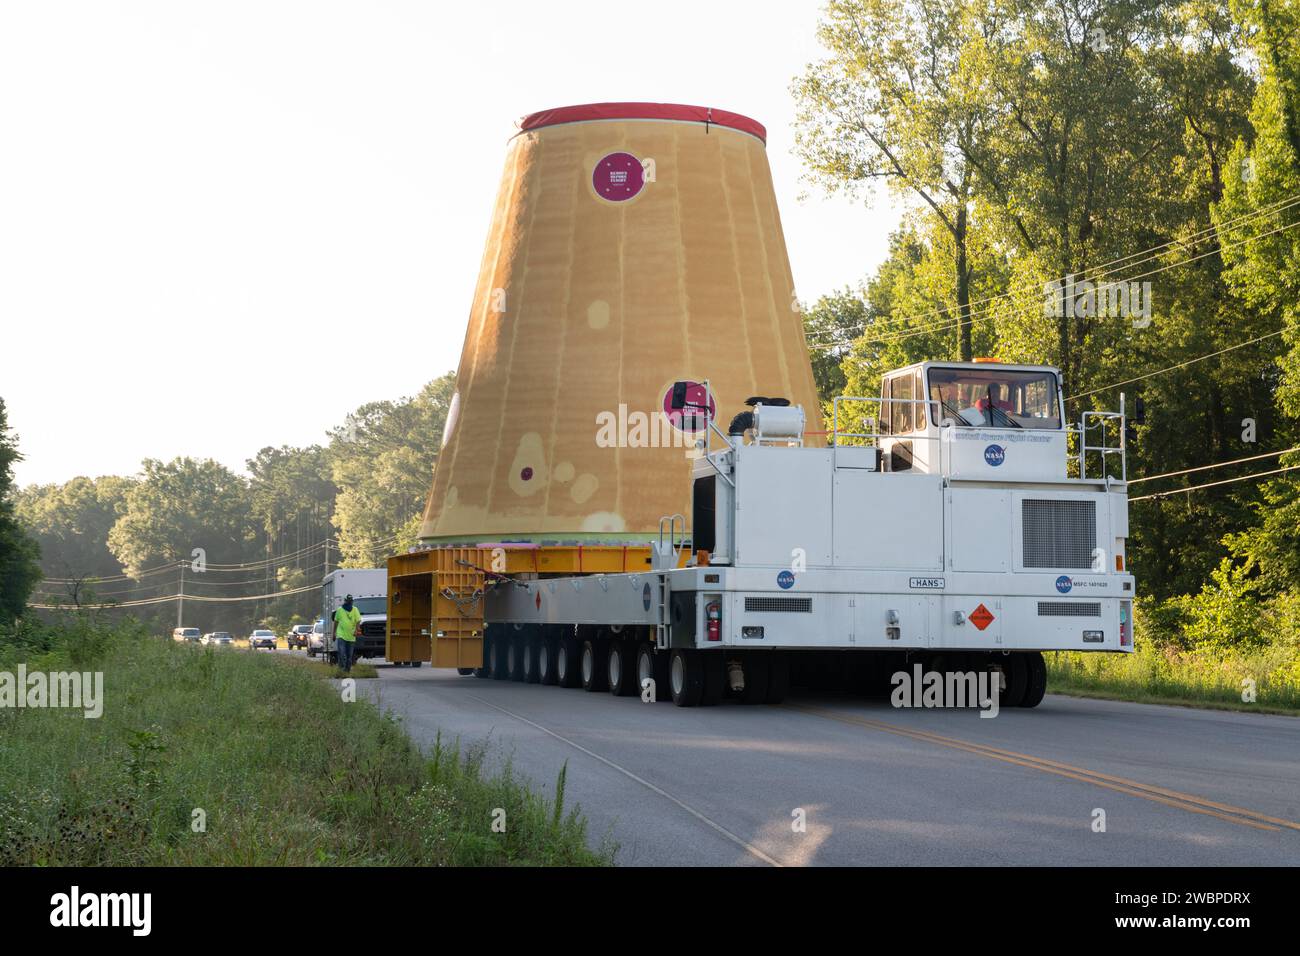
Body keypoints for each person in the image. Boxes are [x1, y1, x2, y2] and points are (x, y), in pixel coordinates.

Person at [333, 594, 361, 672]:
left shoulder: (355, 610)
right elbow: (336, 622)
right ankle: (341, 669)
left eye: (351, 601)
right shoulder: (339, 610)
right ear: (345, 601)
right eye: (348, 601)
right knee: (341, 653)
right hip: (341, 635)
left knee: (349, 656)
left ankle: (347, 671)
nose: (349, 602)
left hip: (351, 636)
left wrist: (356, 630)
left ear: (352, 602)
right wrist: (334, 633)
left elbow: (358, 621)